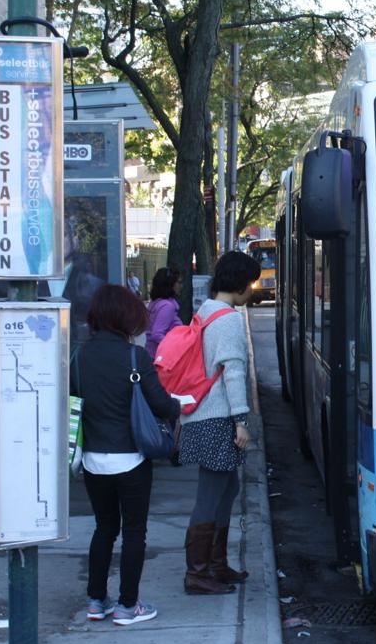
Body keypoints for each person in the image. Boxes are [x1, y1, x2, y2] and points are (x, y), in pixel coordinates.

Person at [72, 284, 181, 625]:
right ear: (126, 317)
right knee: (134, 531)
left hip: (92, 460)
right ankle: (127, 605)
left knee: (104, 528)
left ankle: (95, 600)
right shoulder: (135, 357)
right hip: (131, 460)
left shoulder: (78, 356)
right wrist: (179, 404)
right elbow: (161, 405)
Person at [178, 251, 261, 595]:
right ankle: (198, 572)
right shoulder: (227, 319)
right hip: (217, 418)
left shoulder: (206, 311)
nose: (252, 290)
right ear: (240, 282)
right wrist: (241, 420)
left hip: (204, 416)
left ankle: (215, 565)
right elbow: (233, 371)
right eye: (251, 282)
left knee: (227, 490)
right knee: (211, 494)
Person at [146, 267, 183, 359]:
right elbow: (157, 334)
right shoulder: (167, 306)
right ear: (170, 284)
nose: (181, 286)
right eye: (178, 282)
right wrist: (177, 347)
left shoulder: (157, 303)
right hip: (161, 359)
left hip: (154, 356)